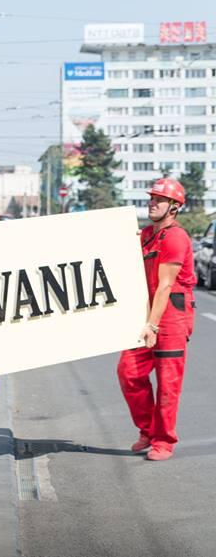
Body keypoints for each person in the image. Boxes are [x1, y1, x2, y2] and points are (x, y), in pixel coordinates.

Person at [117, 178, 196, 461]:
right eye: (151, 198)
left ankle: (164, 441)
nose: (151, 203)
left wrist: (152, 325)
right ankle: (149, 430)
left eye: (159, 200)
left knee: (167, 383)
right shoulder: (147, 234)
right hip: (147, 310)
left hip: (171, 316)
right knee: (129, 372)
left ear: (174, 207)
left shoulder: (176, 238)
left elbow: (165, 285)